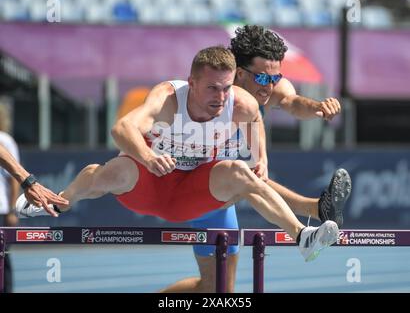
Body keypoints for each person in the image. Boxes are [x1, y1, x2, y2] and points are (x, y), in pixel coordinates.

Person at [15, 47, 340, 291]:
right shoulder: (169, 99)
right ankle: (60, 200)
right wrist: (147, 156)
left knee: (221, 293)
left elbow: (257, 119)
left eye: (226, 88)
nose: (221, 97)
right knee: (116, 170)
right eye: (213, 88)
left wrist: (261, 155)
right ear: (191, 83)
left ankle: (303, 236)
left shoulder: (242, 103)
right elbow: (121, 129)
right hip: (151, 184)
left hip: (196, 193)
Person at [160, 25, 352, 293]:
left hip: (221, 192)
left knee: (217, 291)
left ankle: (316, 209)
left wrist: (318, 108)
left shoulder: (267, 87)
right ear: (239, 74)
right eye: (262, 79)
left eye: (275, 78)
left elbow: (292, 102)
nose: (269, 87)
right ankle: (313, 211)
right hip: (186, 180)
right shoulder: (215, 92)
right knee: (244, 177)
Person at [0, 103, 68, 293]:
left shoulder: (4, 139)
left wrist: (27, 183)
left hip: (1, 206)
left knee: (3, 257)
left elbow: (12, 178)